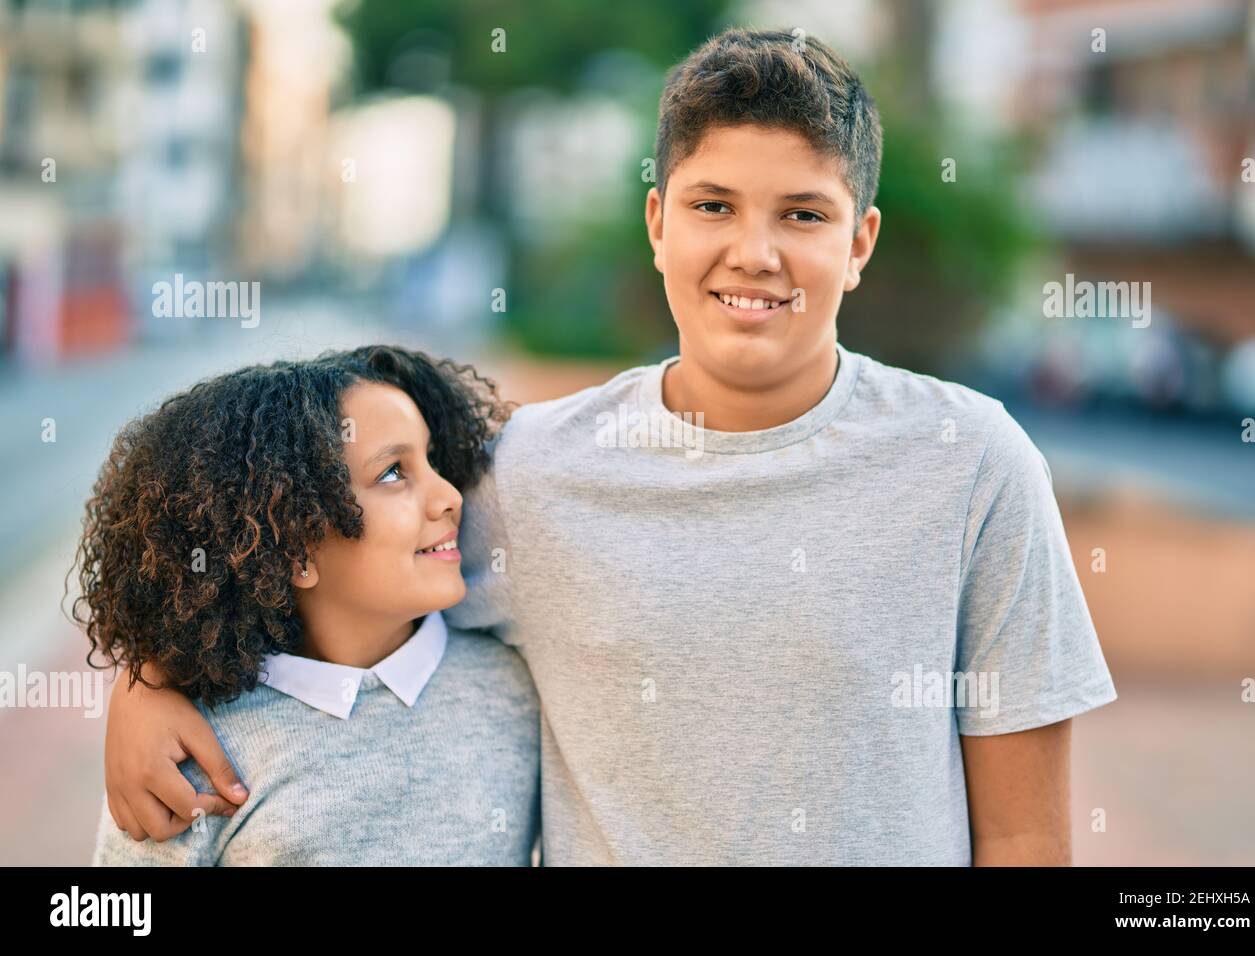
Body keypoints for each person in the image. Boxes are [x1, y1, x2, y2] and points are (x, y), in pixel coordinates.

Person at [98, 28, 1115, 865]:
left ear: (858, 244)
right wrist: (149, 678)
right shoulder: (536, 474)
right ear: (657, 223)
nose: (751, 252)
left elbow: (1025, 831)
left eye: (802, 214)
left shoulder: (974, 462)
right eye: (713, 205)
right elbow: (287, 549)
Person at [79, 347, 539, 865]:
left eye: (431, 460)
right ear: (295, 546)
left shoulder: (513, 683)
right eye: (392, 473)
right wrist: (143, 680)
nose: (449, 496)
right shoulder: (194, 752)